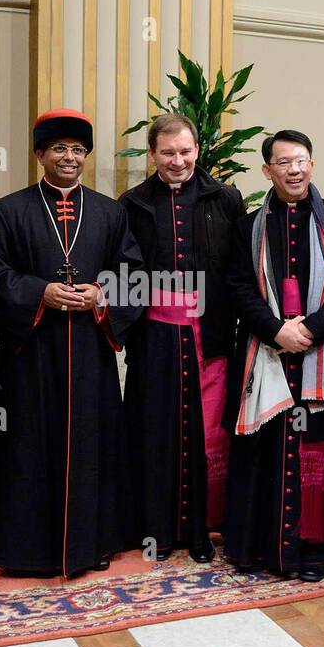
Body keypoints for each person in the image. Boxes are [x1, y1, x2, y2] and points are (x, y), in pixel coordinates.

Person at [0, 109, 142, 577]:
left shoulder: (111, 212)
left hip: (91, 354)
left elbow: (135, 277)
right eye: (59, 149)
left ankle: (94, 544)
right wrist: (38, 292)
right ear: (40, 154)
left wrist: (101, 294)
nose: (70, 157)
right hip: (32, 359)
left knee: (94, 446)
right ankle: (29, 551)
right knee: (29, 448)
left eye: (78, 150)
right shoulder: (9, 210)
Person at [222, 130, 324, 581]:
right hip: (266, 353)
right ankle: (262, 548)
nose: (294, 170)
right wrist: (276, 329)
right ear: (267, 171)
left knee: (319, 451)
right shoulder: (247, 227)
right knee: (265, 451)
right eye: (283, 163)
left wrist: (311, 328)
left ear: (312, 164)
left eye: (301, 160)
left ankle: (317, 550)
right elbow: (238, 287)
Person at [120, 114, 243, 563]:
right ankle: (156, 528)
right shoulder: (132, 203)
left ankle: (201, 529)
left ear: (197, 150)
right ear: (152, 154)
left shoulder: (225, 198)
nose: (178, 161)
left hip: (209, 333)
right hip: (154, 336)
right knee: (158, 430)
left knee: (206, 433)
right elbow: (123, 271)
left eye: (185, 151)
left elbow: (237, 269)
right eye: (168, 153)